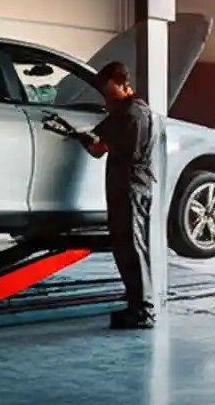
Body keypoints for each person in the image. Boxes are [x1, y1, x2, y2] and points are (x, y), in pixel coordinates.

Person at [42, 61, 159, 329]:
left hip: (127, 187)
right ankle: (138, 303)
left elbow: (98, 148)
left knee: (130, 247)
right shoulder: (145, 110)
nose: (105, 97)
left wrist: (78, 137)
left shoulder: (125, 115)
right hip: (141, 185)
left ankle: (143, 311)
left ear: (121, 84)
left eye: (108, 91)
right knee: (136, 245)